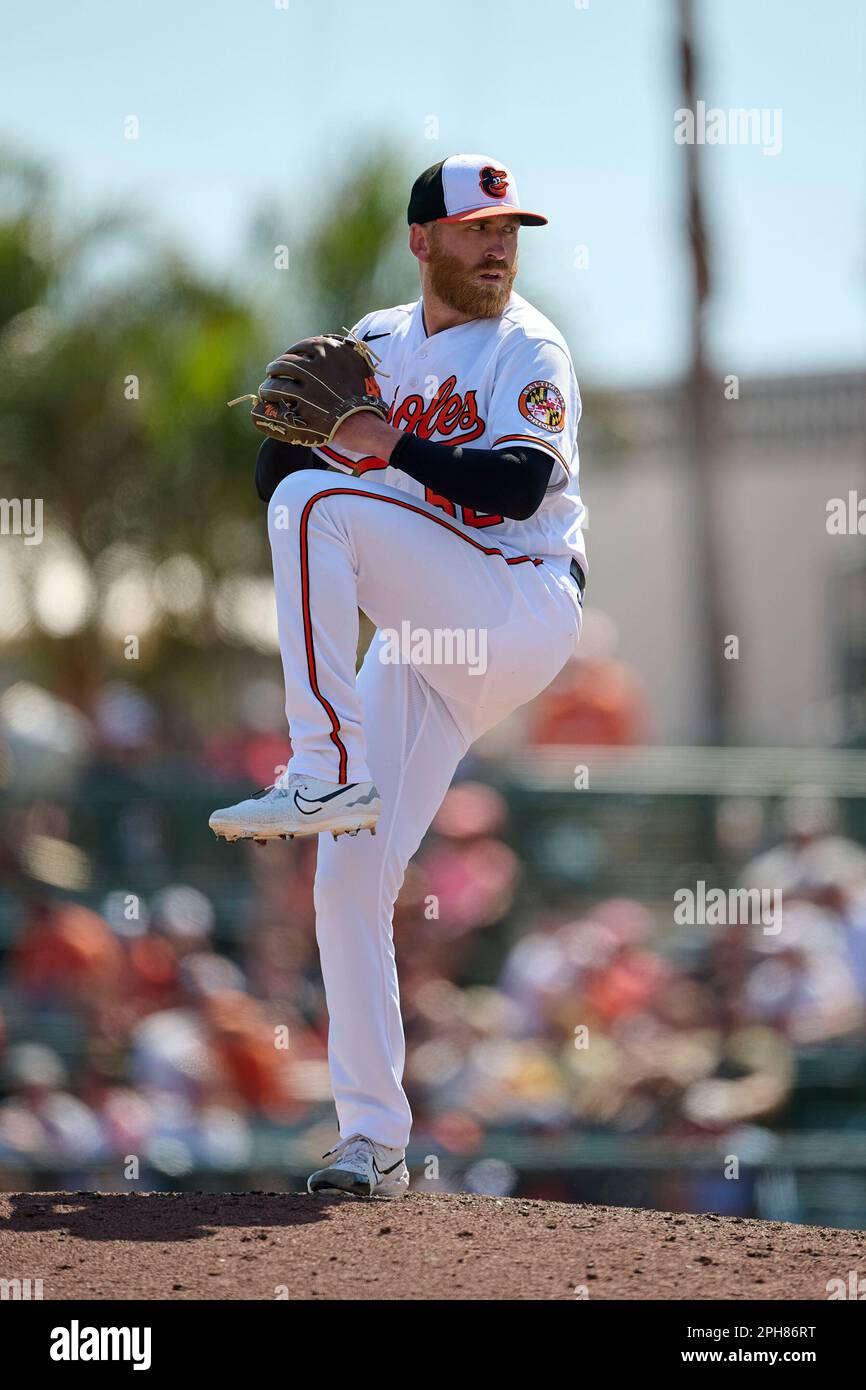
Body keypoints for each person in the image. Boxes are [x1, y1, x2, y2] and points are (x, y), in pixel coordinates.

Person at [209, 153, 588, 1197]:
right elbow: (275, 471)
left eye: (508, 228)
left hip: (514, 604)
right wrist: (312, 428)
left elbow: (514, 489)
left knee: (320, 511)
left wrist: (383, 442)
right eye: (475, 228)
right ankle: (372, 1141)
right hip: (423, 641)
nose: (497, 245)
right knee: (345, 879)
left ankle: (321, 761)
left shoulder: (528, 345)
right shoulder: (374, 342)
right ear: (422, 240)